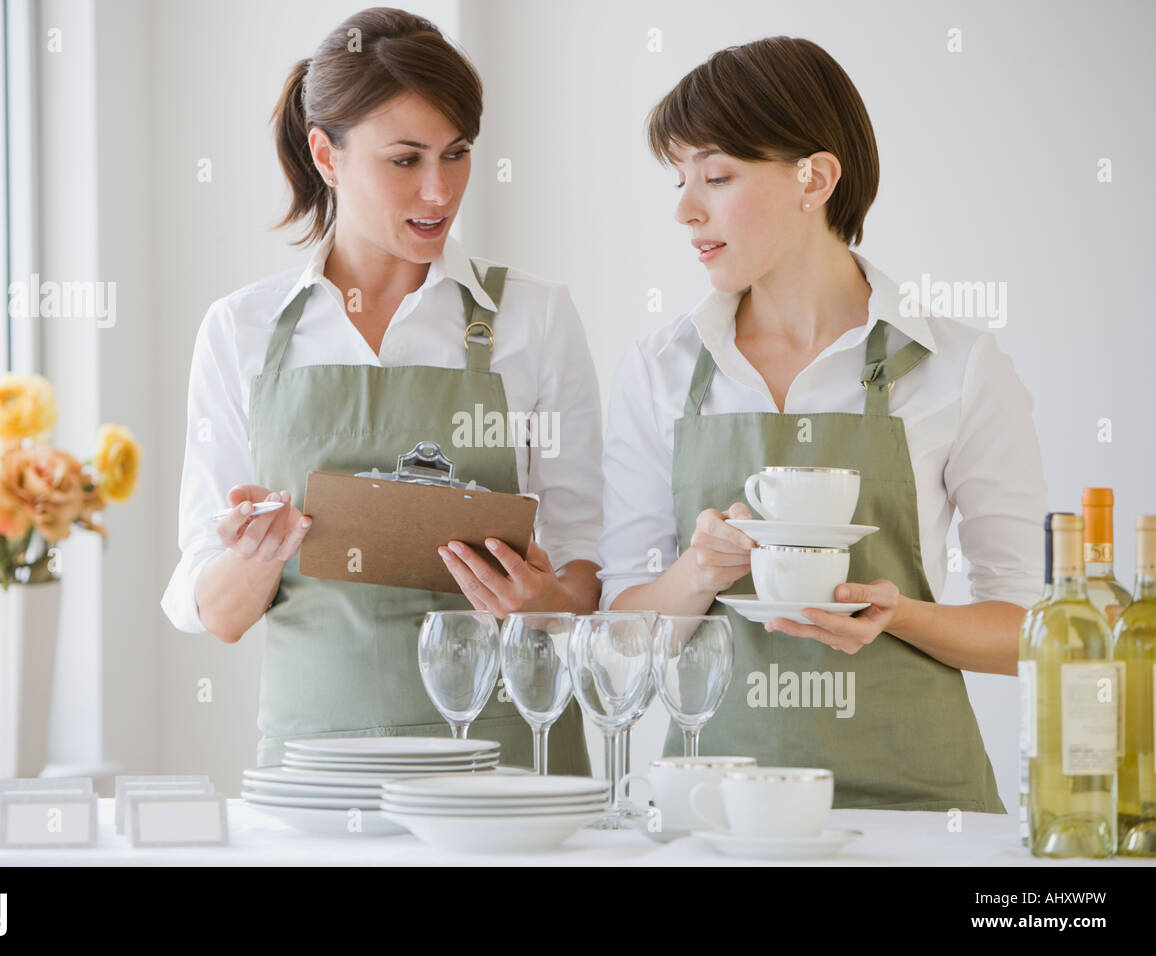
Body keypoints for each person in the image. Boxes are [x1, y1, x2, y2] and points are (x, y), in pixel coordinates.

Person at [597, 36, 1047, 811]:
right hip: (716, 810)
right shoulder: (660, 371)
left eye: (717, 175)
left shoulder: (957, 366)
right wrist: (697, 572)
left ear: (817, 178)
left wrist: (900, 615)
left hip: (915, 810)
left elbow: (1027, 633)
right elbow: (617, 648)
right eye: (680, 180)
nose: (685, 210)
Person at [161, 8, 599, 772]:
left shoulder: (533, 317)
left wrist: (543, 602)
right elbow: (219, 614)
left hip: (507, 762)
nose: (439, 191)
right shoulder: (243, 331)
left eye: (457, 154)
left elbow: (589, 569)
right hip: (322, 762)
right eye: (405, 160)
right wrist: (260, 555)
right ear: (326, 155)